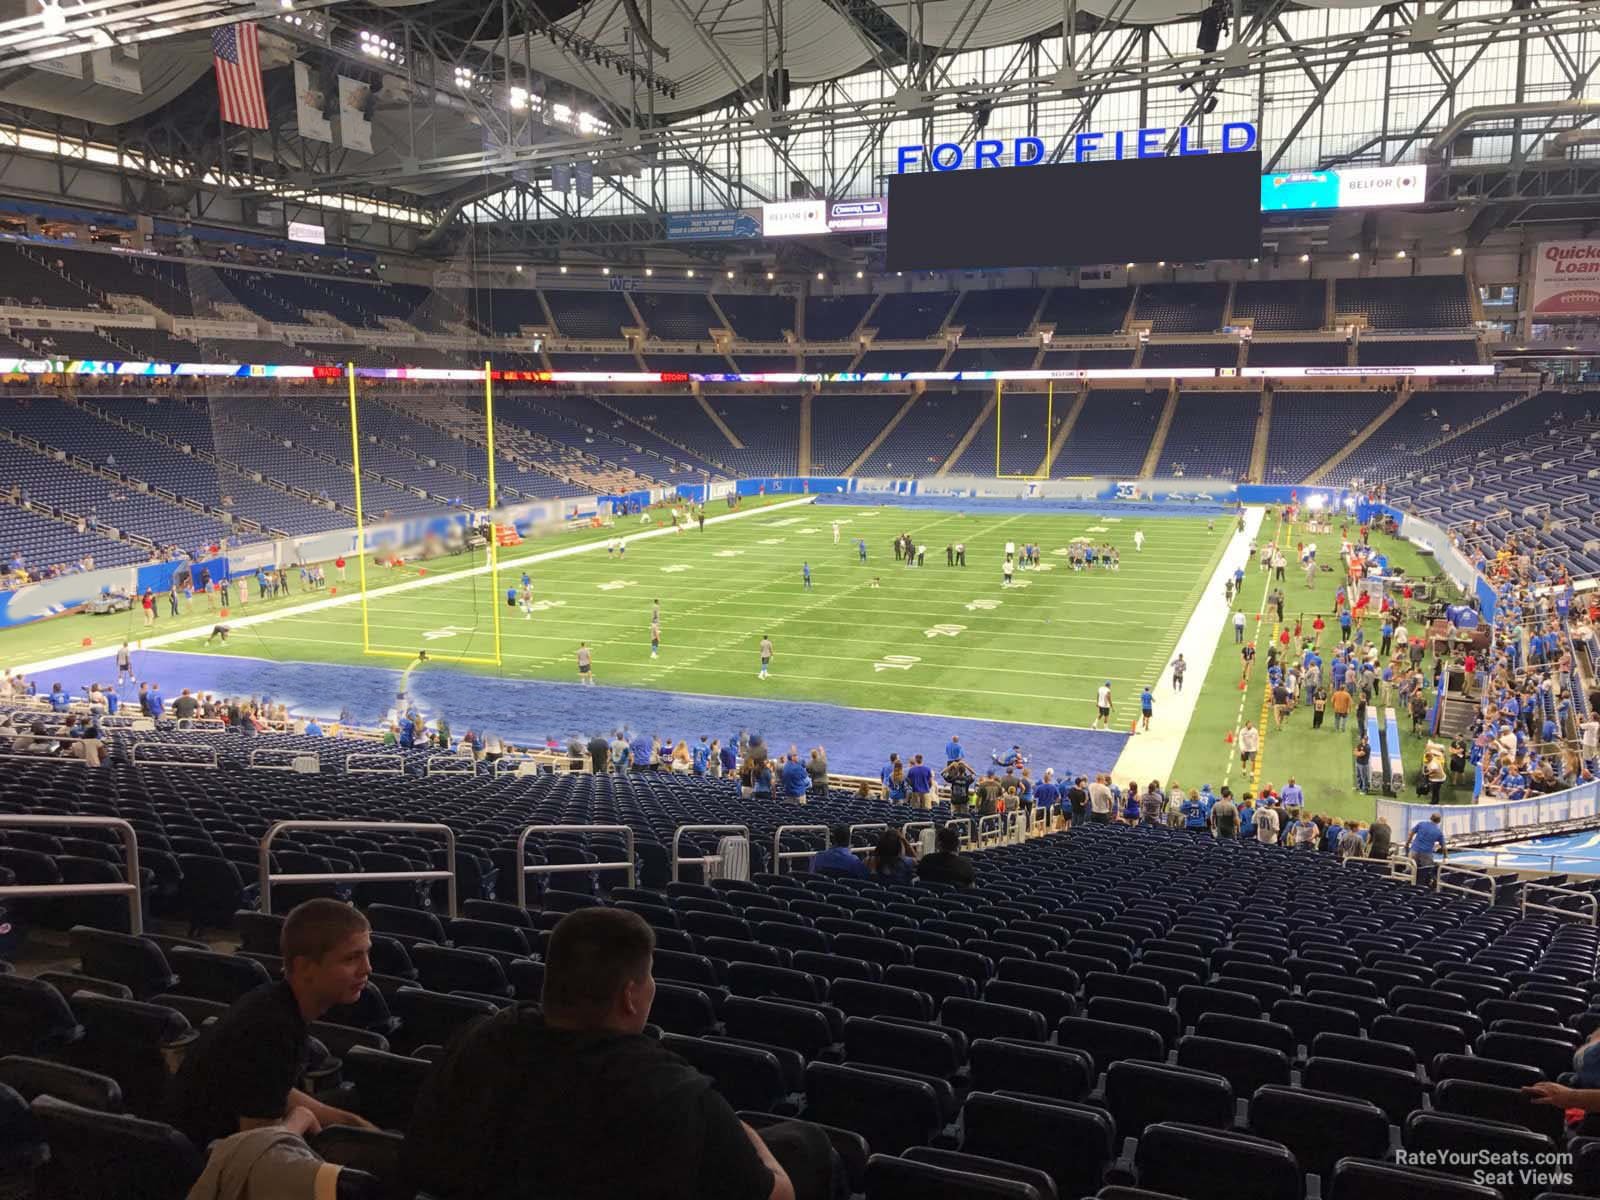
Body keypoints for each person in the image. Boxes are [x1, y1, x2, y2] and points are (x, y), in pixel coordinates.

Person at [398, 908, 833, 1200]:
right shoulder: (672, 1091)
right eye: (648, 977)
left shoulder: (479, 1039)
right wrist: (746, 1136)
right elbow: (778, 1194)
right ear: (629, 995)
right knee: (807, 1145)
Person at [171, 900, 376, 1151]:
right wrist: (303, 1117)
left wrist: (351, 1122)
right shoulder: (273, 1029)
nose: (367, 968)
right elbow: (259, 1153)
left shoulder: (274, 1003)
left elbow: (271, 1089)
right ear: (304, 967)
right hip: (204, 1165)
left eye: (367, 954)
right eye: (352, 958)